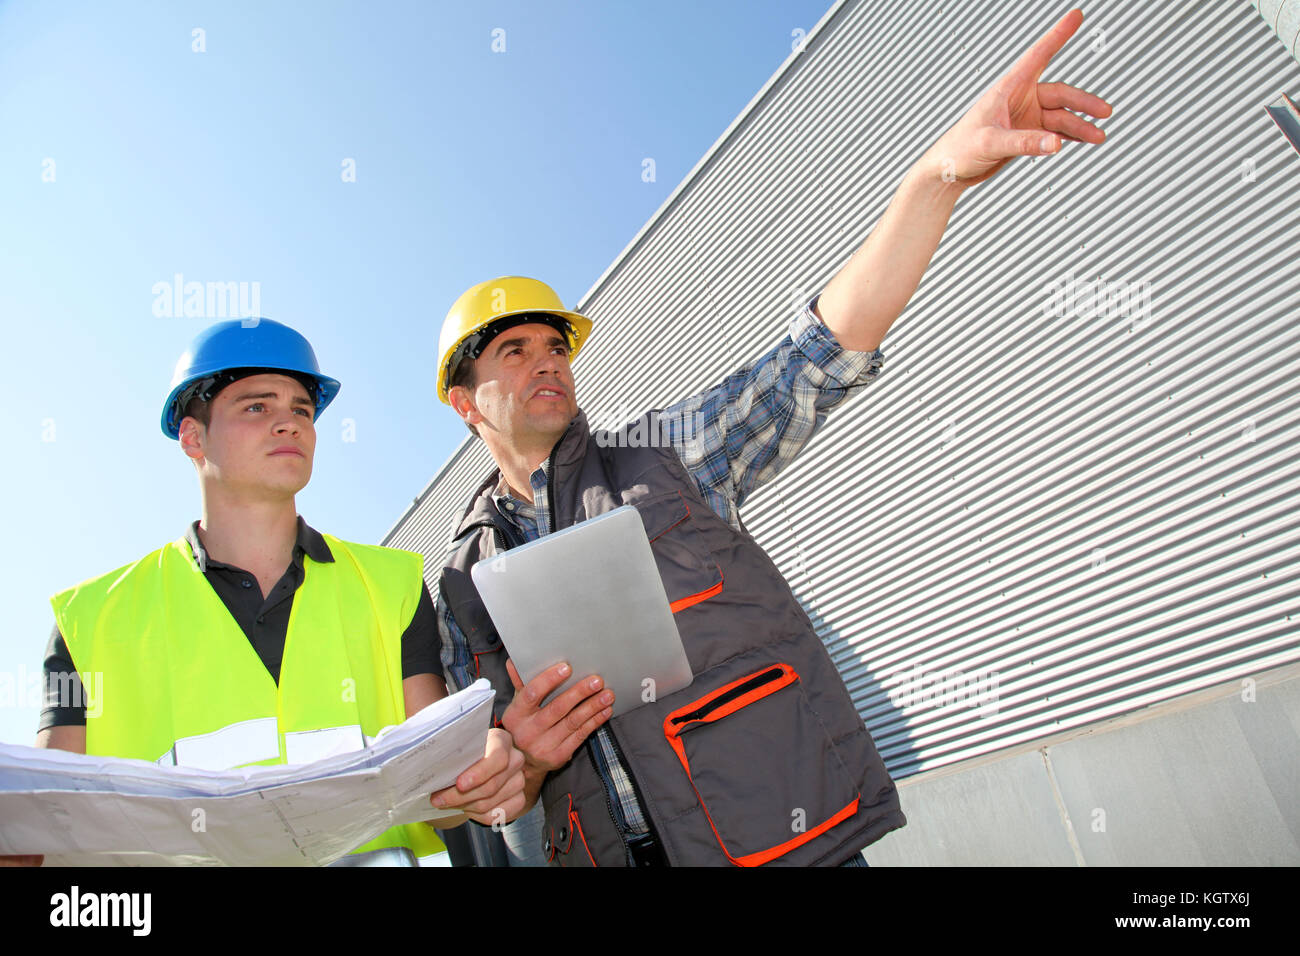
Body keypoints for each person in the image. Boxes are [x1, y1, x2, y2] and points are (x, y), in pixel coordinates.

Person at [432, 10, 1112, 866]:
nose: (547, 363)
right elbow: (495, 791)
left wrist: (935, 178)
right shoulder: (459, 586)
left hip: (777, 842)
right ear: (464, 401)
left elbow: (818, 353)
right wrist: (520, 758)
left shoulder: (667, 457)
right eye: (513, 350)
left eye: (554, 346)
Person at [21, 317, 525, 867]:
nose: (289, 424)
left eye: (302, 410)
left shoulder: (393, 584)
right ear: (193, 436)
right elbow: (45, 827)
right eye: (257, 406)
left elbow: (441, 798)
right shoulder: (90, 619)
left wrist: (481, 775)